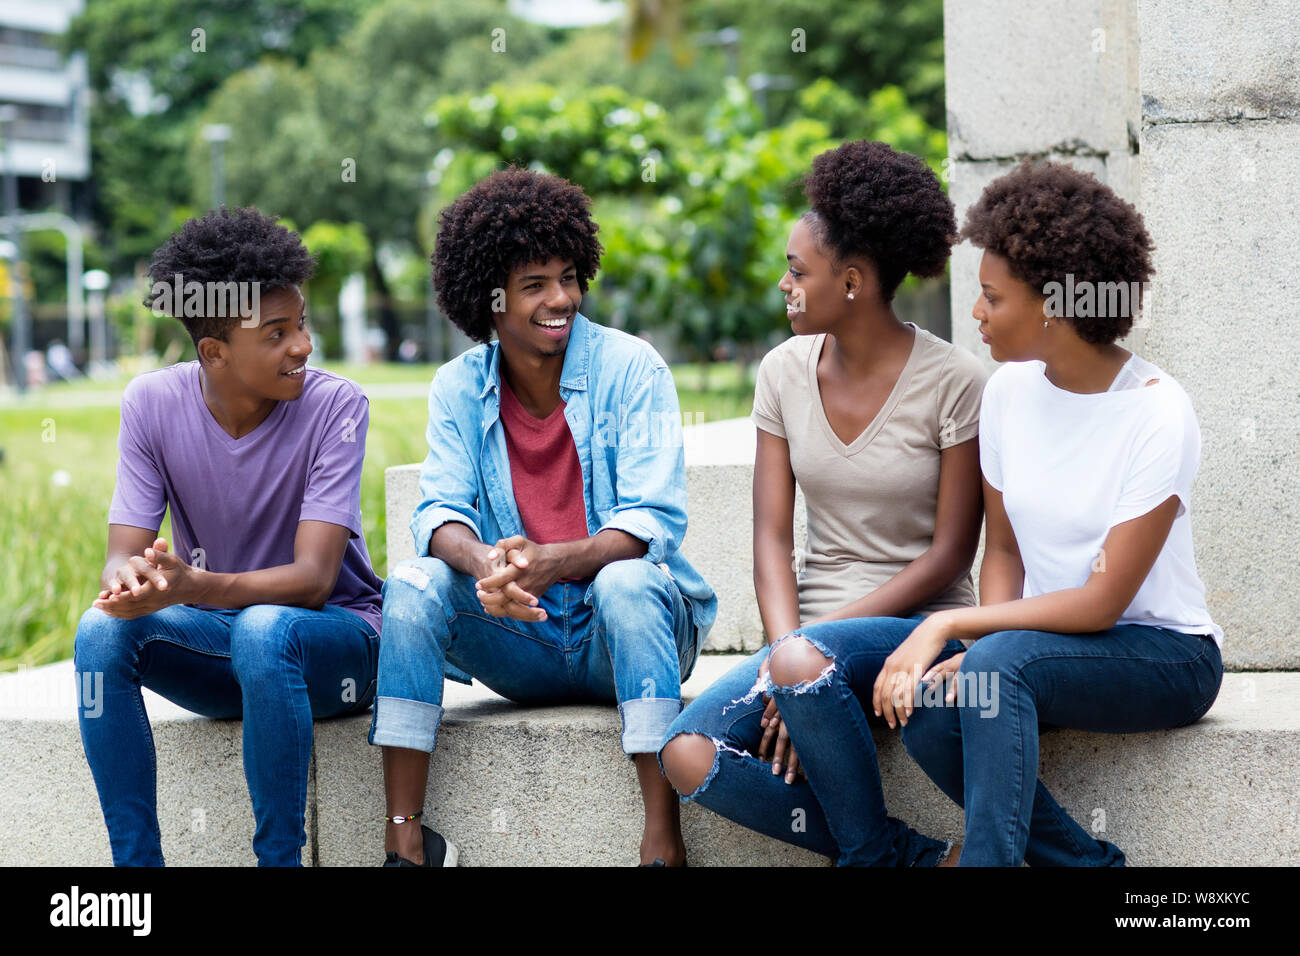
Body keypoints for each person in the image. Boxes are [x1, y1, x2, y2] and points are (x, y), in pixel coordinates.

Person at [372, 168, 716, 867]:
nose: (561, 299)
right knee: (411, 584)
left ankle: (662, 841)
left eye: (568, 277)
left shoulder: (633, 369)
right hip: (520, 636)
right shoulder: (459, 387)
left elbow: (652, 521)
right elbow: (438, 511)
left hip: (620, 635)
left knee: (626, 580)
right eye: (535, 285)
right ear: (489, 300)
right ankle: (405, 843)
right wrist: (488, 564)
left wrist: (553, 560)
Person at [658, 140, 987, 866]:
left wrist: (801, 661)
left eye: (797, 271)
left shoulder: (955, 380)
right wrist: (786, 658)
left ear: (854, 281)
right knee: (685, 753)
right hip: (803, 642)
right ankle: (909, 859)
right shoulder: (782, 371)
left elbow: (950, 556)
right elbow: (771, 541)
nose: (784, 285)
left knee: (806, 666)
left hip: (915, 631)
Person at [897, 159, 1224, 866]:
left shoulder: (1158, 412)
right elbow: (1004, 552)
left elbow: (1104, 603)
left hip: (1166, 654)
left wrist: (952, 626)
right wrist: (979, 649)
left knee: (994, 667)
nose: (976, 313)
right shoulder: (1007, 394)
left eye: (992, 297)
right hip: (1042, 647)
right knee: (930, 713)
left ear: (1053, 304)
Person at [74, 207, 384, 866]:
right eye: (277, 334)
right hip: (227, 648)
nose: (302, 346)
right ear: (213, 351)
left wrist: (194, 586)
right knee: (99, 631)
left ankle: (279, 860)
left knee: (265, 630)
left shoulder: (337, 406)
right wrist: (130, 582)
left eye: (301, 323)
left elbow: (314, 581)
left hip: (334, 645)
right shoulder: (151, 403)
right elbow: (121, 554)